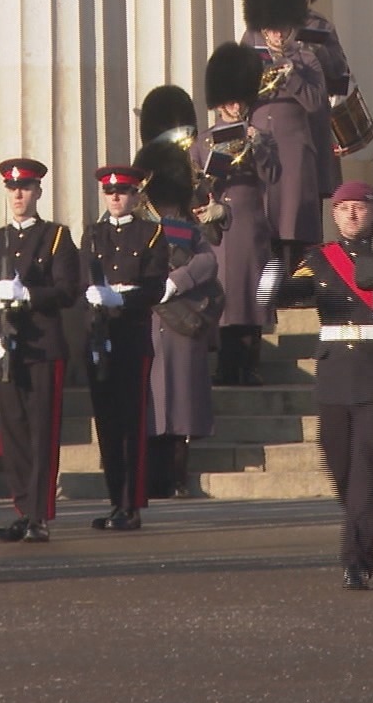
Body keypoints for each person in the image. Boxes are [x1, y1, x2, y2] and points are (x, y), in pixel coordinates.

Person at [262, 180, 373, 588]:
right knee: (336, 457)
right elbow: (288, 293)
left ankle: (356, 558)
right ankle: (365, 516)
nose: (351, 214)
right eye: (343, 208)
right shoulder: (319, 258)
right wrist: (269, 272)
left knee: (367, 462)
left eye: (360, 207)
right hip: (335, 368)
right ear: (333, 215)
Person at [0, 158, 80, 543]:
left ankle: (39, 513)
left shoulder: (56, 237)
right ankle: (22, 508)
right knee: (14, 432)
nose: (18, 195)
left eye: (25, 188)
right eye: (12, 188)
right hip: (7, 350)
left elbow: (67, 291)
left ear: (38, 192)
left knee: (41, 432)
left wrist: (29, 295)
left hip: (42, 348)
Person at [80, 163, 170, 531]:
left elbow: (155, 286)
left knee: (132, 420)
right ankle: (115, 499)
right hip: (100, 335)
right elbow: (83, 279)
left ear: (135, 196)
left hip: (131, 334)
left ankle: (132, 503)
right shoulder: (93, 234)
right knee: (107, 422)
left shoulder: (151, 233)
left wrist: (122, 297)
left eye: (122, 192)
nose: (115, 197)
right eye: (110, 192)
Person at [140, 137, 223, 507]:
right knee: (152, 407)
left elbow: (207, 261)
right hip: (148, 325)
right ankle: (152, 478)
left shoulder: (180, 225)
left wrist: (176, 281)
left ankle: (177, 477)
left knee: (181, 408)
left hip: (179, 324)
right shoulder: (138, 222)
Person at [251, 0, 352, 198]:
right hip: (269, 123)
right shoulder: (258, 28)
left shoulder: (320, 25)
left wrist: (316, 52)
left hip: (310, 124)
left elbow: (339, 71)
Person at [244, 0, 327, 275]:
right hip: (259, 148)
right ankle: (264, 291)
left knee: (293, 224)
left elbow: (316, 104)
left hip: (294, 151)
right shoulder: (251, 59)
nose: (278, 35)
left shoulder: (307, 60)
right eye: (271, 29)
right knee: (262, 223)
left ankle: (294, 283)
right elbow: (235, 102)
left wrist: (293, 77)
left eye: (283, 28)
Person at [200, 42, 273, 392]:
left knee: (251, 296)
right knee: (225, 297)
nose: (237, 107)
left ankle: (250, 365)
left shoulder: (259, 137)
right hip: (218, 228)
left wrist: (259, 147)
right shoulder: (201, 142)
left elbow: (273, 177)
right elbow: (196, 184)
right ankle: (225, 365)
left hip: (248, 224)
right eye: (230, 101)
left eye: (241, 100)